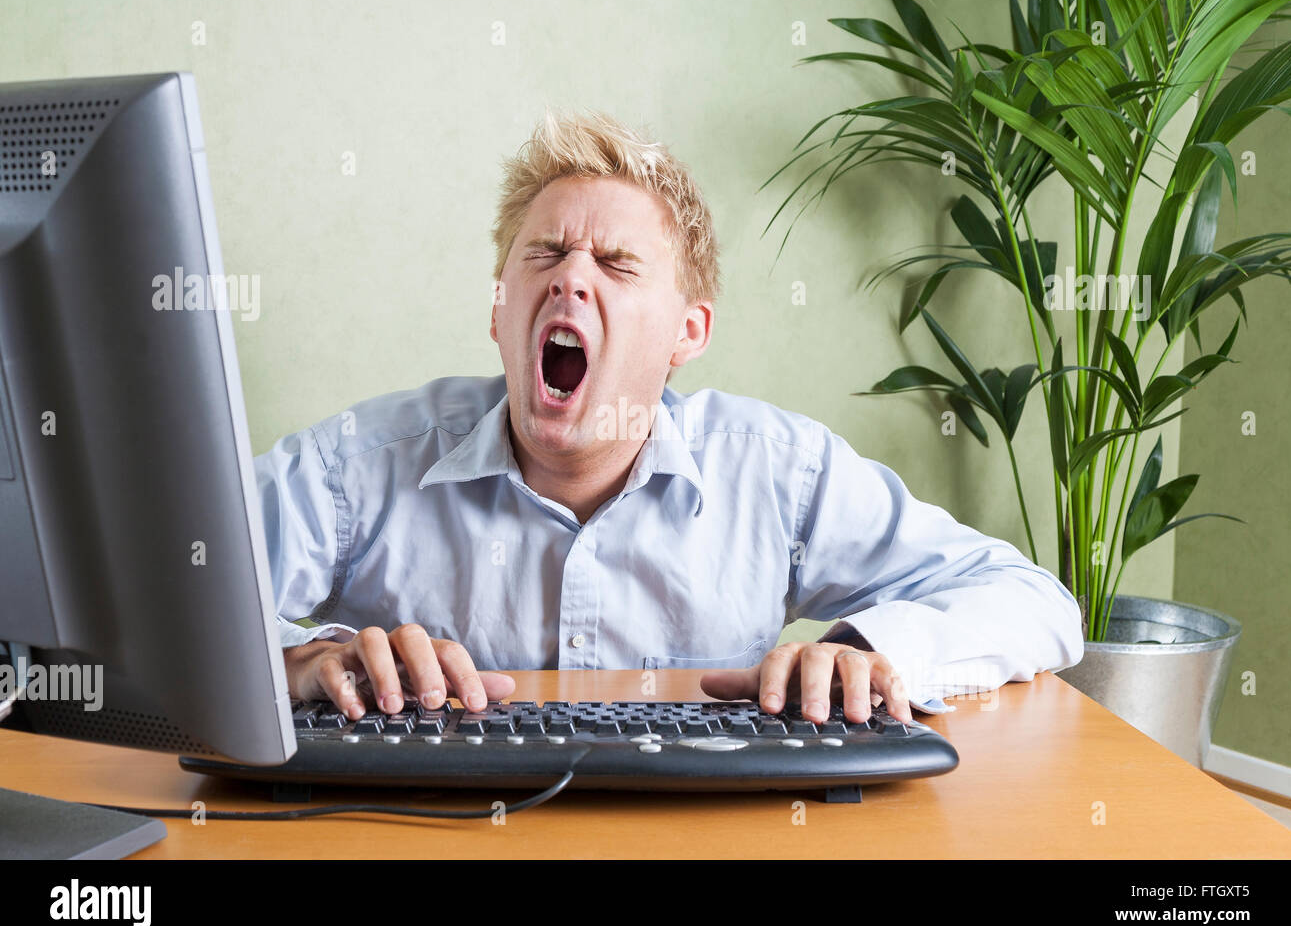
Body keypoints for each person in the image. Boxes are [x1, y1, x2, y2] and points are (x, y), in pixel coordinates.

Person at [264, 109, 1083, 728]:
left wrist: (870, 655)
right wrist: (297, 659)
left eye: (617, 264)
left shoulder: (778, 474)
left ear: (687, 334)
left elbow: (1034, 601)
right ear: (499, 306)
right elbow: (156, 588)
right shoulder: (359, 465)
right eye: (544, 255)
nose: (570, 281)